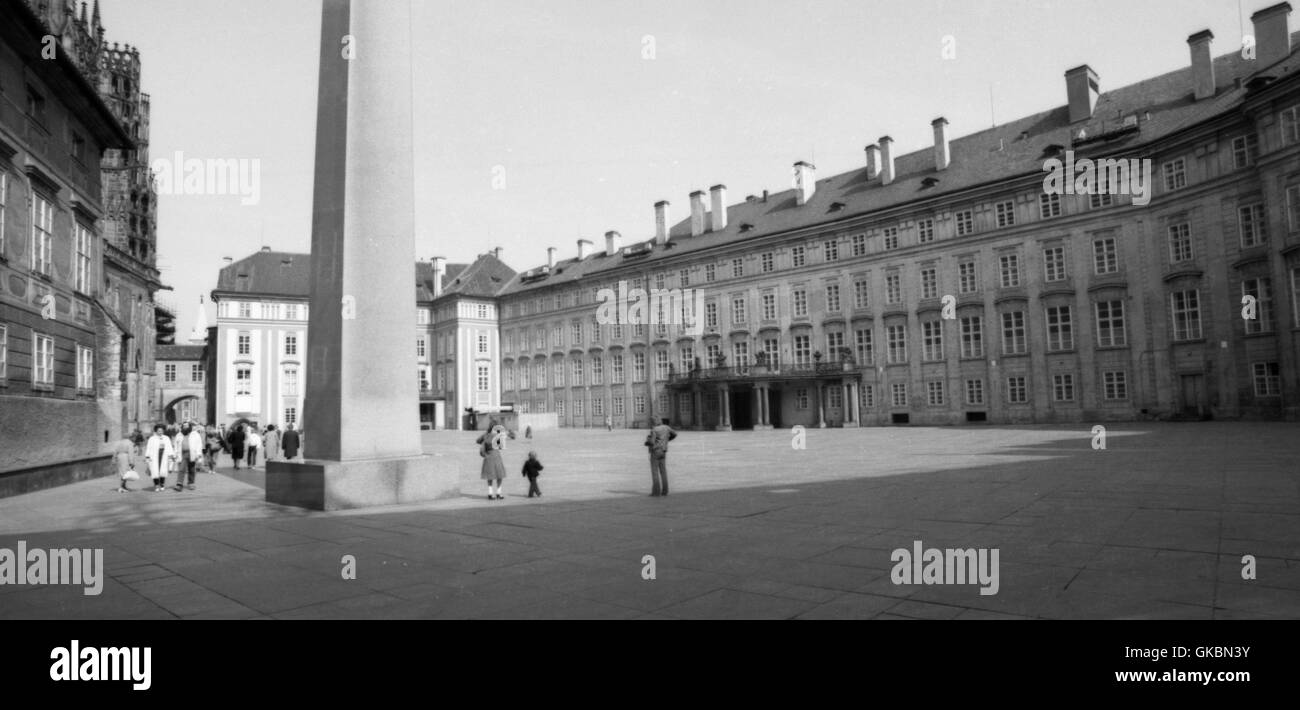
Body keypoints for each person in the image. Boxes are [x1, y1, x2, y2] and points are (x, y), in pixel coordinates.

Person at [644, 418, 677, 497]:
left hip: (655, 452)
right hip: (663, 451)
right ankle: (665, 491)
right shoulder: (666, 427)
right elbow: (674, 434)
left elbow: (652, 442)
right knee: (663, 472)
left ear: (653, 423)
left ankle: (656, 492)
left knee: (655, 472)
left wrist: (646, 443)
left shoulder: (654, 430)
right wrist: (667, 440)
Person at [477, 424, 507, 501]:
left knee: (490, 476)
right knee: (499, 476)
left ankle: (490, 493)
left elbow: (478, 441)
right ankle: (498, 493)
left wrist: (485, 438)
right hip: (496, 457)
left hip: (488, 457)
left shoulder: (485, 435)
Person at [144, 424, 175, 492]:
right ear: (156, 431)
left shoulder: (166, 438)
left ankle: (162, 484)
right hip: (154, 456)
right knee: (154, 471)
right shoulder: (152, 439)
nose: (160, 432)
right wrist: (147, 457)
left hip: (164, 456)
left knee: (163, 471)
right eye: (158, 431)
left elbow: (169, 447)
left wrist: (171, 455)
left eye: (161, 431)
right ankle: (156, 485)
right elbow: (149, 448)